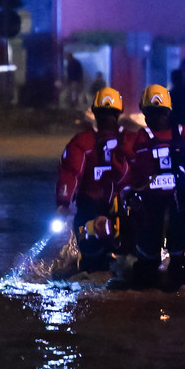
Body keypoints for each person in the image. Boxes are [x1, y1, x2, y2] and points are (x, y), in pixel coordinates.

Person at [119, 84, 185, 290]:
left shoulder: (136, 140)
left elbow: (123, 174)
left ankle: (154, 290)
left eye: (153, 113)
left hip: (163, 207)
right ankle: (182, 286)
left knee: (150, 264)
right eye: (153, 113)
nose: (153, 118)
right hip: (180, 206)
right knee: (175, 261)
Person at [55, 87, 131, 274]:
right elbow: (70, 173)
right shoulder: (131, 140)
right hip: (111, 210)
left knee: (91, 243)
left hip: (111, 210)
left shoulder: (82, 142)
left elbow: (70, 173)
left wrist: (63, 203)